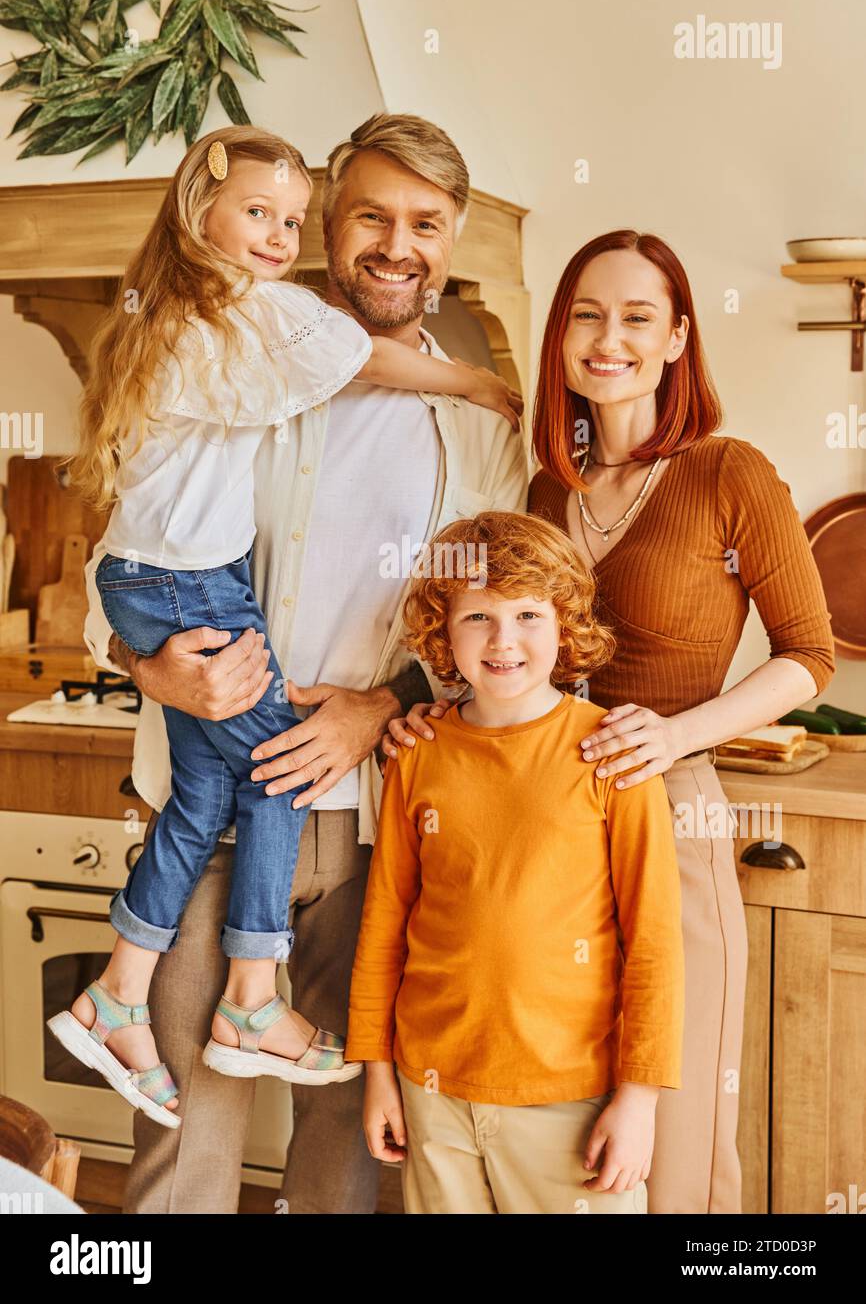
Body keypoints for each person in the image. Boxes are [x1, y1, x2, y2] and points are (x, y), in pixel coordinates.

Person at [82, 114, 528, 1211]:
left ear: (452, 237)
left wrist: (380, 705)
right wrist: (152, 670)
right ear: (328, 224)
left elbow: (495, 636)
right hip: (216, 813)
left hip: (378, 819)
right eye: (370, 214)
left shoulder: (482, 436)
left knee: (349, 1128)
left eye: (424, 223)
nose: (395, 244)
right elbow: (123, 559)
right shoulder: (236, 356)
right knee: (184, 1120)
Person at [383, 229, 835, 1214]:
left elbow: (808, 655)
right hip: (536, 808)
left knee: (670, 1116)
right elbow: (498, 637)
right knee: (569, 1125)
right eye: (586, 313)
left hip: (663, 801)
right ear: (558, 336)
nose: (607, 337)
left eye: (636, 316)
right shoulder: (546, 483)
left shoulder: (728, 473)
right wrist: (432, 714)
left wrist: (674, 736)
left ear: (676, 338)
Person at [346, 510, 685, 1214]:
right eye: (478, 619)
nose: (504, 641)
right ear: (444, 634)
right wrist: (378, 1071)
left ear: (565, 625)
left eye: (529, 614)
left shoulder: (614, 754)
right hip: (432, 1092)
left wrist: (640, 1101)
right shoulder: (418, 754)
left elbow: (653, 942)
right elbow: (383, 924)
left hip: (570, 1100)